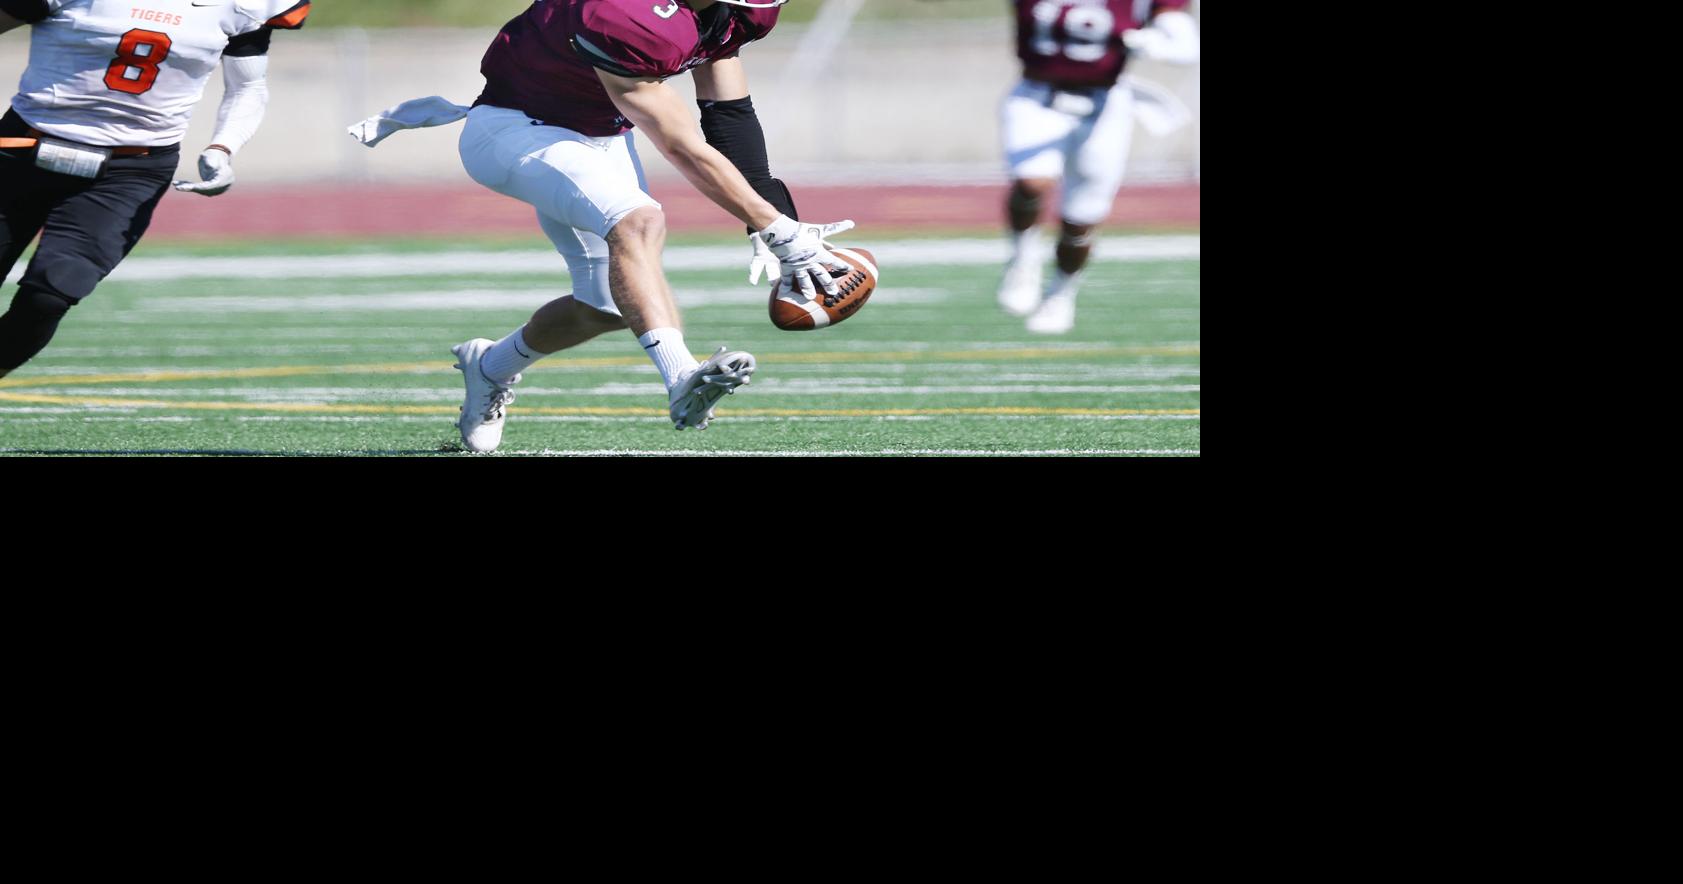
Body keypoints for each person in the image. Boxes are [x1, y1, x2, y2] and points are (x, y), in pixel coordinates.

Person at [350, 0, 857, 453]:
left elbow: (728, 115)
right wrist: (779, 231)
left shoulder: (733, 12)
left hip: (601, 136)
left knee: (606, 308)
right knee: (638, 221)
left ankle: (490, 367)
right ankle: (681, 378)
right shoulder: (626, 12)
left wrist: (770, 219)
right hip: (513, 129)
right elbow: (679, 145)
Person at [0, 0, 311, 377]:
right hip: (22, 148)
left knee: (51, 294)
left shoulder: (242, 5)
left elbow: (248, 86)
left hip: (130, 169)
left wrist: (223, 146)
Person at [996, 0, 1198, 333]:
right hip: (1037, 94)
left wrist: (1157, 43)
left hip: (1105, 101)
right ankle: (1022, 260)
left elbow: (1186, 45)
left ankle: (1061, 293)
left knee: (1080, 219)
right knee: (1032, 181)